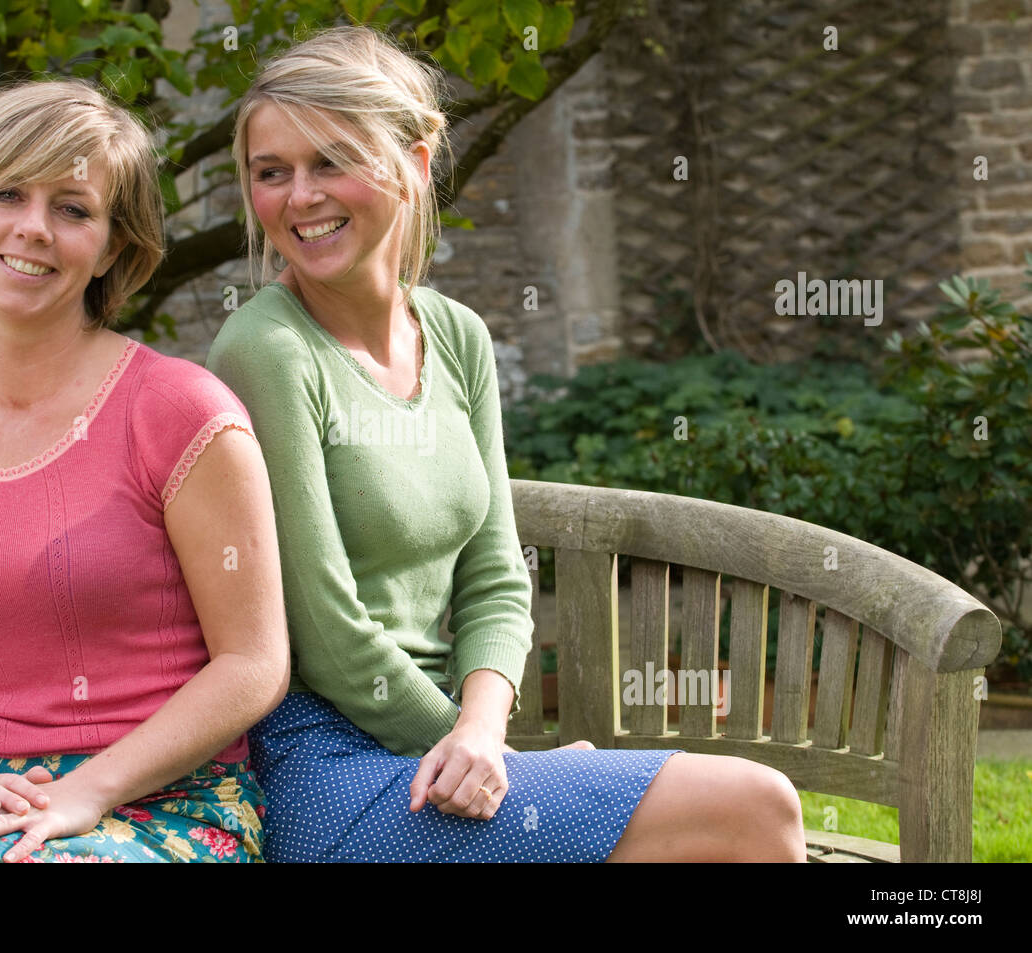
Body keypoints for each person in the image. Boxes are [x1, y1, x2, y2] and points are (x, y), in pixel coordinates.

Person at [206, 26, 807, 862]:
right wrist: (489, 751)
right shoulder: (265, 350)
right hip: (326, 767)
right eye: (272, 172)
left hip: (447, 747)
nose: (300, 197)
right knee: (754, 807)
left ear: (416, 164)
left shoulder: (456, 337)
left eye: (332, 161)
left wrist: (487, 731)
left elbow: (495, 576)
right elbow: (325, 632)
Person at [0, 78, 289, 864]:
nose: (32, 229)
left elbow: (253, 661)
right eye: (8, 194)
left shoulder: (181, 409)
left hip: (171, 807)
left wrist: (87, 789)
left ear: (113, 249)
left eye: (73, 208)